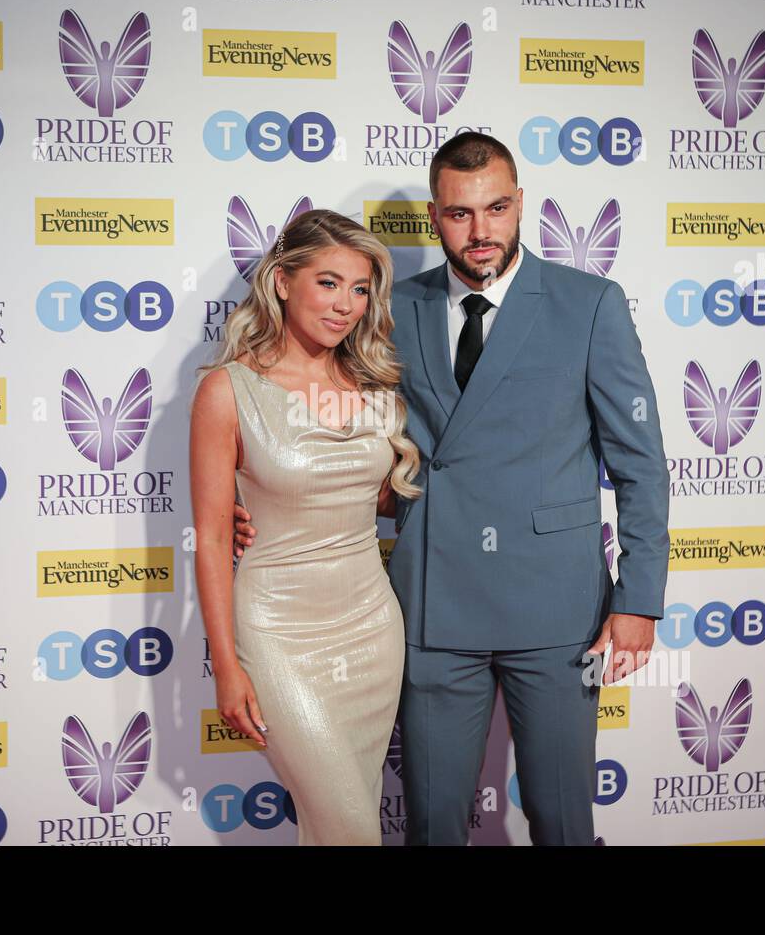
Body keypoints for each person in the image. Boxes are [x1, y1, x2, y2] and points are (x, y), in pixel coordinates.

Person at [235, 132, 670, 845]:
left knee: (563, 821)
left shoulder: (589, 303)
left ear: (520, 204)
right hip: (433, 604)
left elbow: (640, 464)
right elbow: (320, 414)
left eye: (496, 208)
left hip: (557, 607)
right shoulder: (389, 309)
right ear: (436, 217)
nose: (480, 230)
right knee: (434, 824)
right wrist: (261, 500)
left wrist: (640, 599)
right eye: (460, 214)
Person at [190, 209, 423, 845]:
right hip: (277, 631)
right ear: (282, 281)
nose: (346, 304)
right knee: (347, 821)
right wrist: (226, 665)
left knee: (342, 819)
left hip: (372, 628)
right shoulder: (227, 391)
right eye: (328, 282)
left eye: (360, 289)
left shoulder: (375, 385)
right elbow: (211, 539)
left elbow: (378, 500)